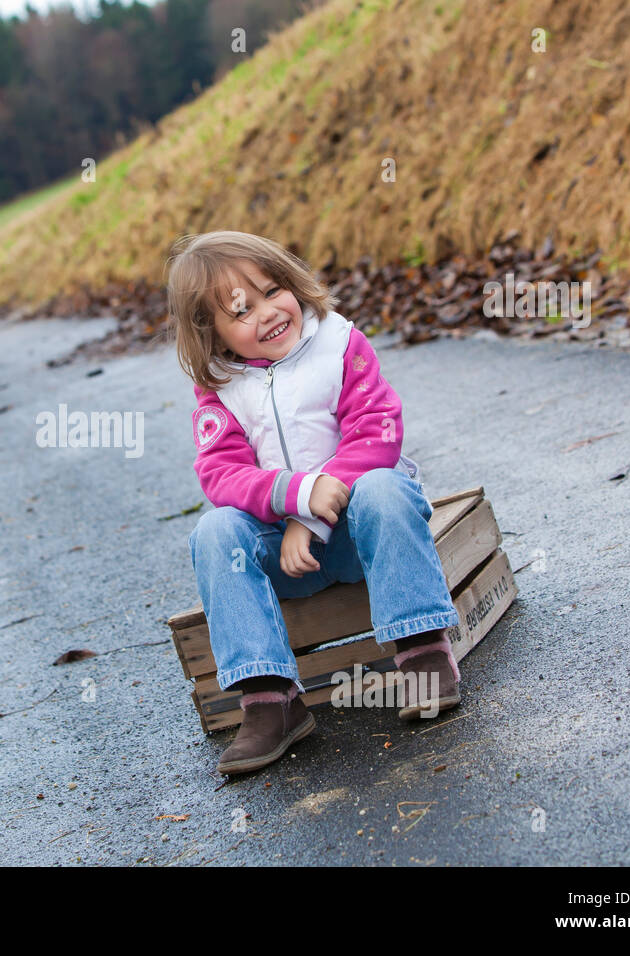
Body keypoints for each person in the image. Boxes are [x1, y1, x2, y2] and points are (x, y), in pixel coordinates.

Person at [167, 230, 463, 775]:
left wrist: (315, 516)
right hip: (287, 559)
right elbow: (221, 473)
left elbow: (377, 432)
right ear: (215, 337)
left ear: (294, 283)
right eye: (241, 310)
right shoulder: (222, 391)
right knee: (214, 531)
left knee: (384, 485)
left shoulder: (340, 345)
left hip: (362, 537)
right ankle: (270, 699)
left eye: (272, 290)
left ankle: (423, 650)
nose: (268, 313)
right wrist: (294, 498)